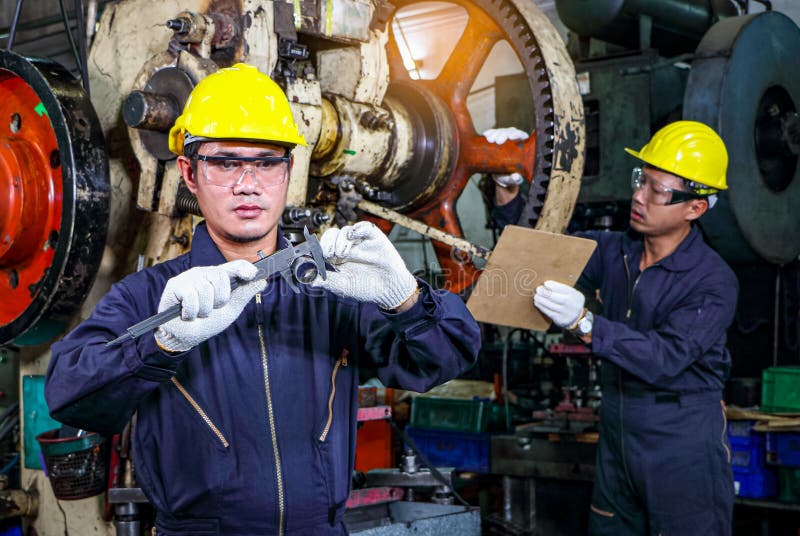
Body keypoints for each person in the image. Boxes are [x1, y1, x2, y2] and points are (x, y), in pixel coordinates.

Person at [45, 63, 480, 535]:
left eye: (267, 162)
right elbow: (70, 394)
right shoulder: (151, 296)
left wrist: (406, 300)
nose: (248, 183)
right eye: (226, 162)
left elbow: (446, 359)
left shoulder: (330, 294)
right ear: (189, 173)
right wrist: (162, 344)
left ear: (289, 170)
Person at [484, 121, 738, 535]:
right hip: (618, 444)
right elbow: (538, 252)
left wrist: (584, 323)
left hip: (683, 449)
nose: (638, 196)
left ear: (696, 207)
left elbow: (665, 358)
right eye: (642, 180)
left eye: (658, 191)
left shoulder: (712, 281)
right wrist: (509, 185)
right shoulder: (614, 251)